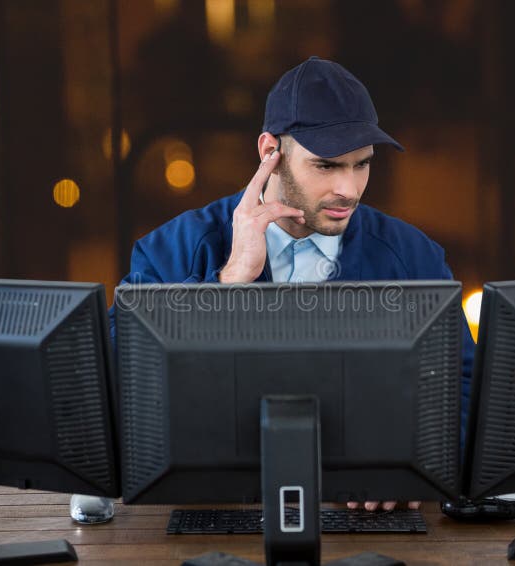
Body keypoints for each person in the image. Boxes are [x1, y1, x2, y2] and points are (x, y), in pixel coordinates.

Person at [75, 56, 474, 521]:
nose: (349, 188)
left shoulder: (413, 256)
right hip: (205, 510)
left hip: (364, 518)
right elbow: (106, 388)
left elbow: (463, 386)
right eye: (325, 165)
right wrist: (229, 281)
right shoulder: (175, 249)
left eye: (362, 164)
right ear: (270, 151)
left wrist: (413, 459)